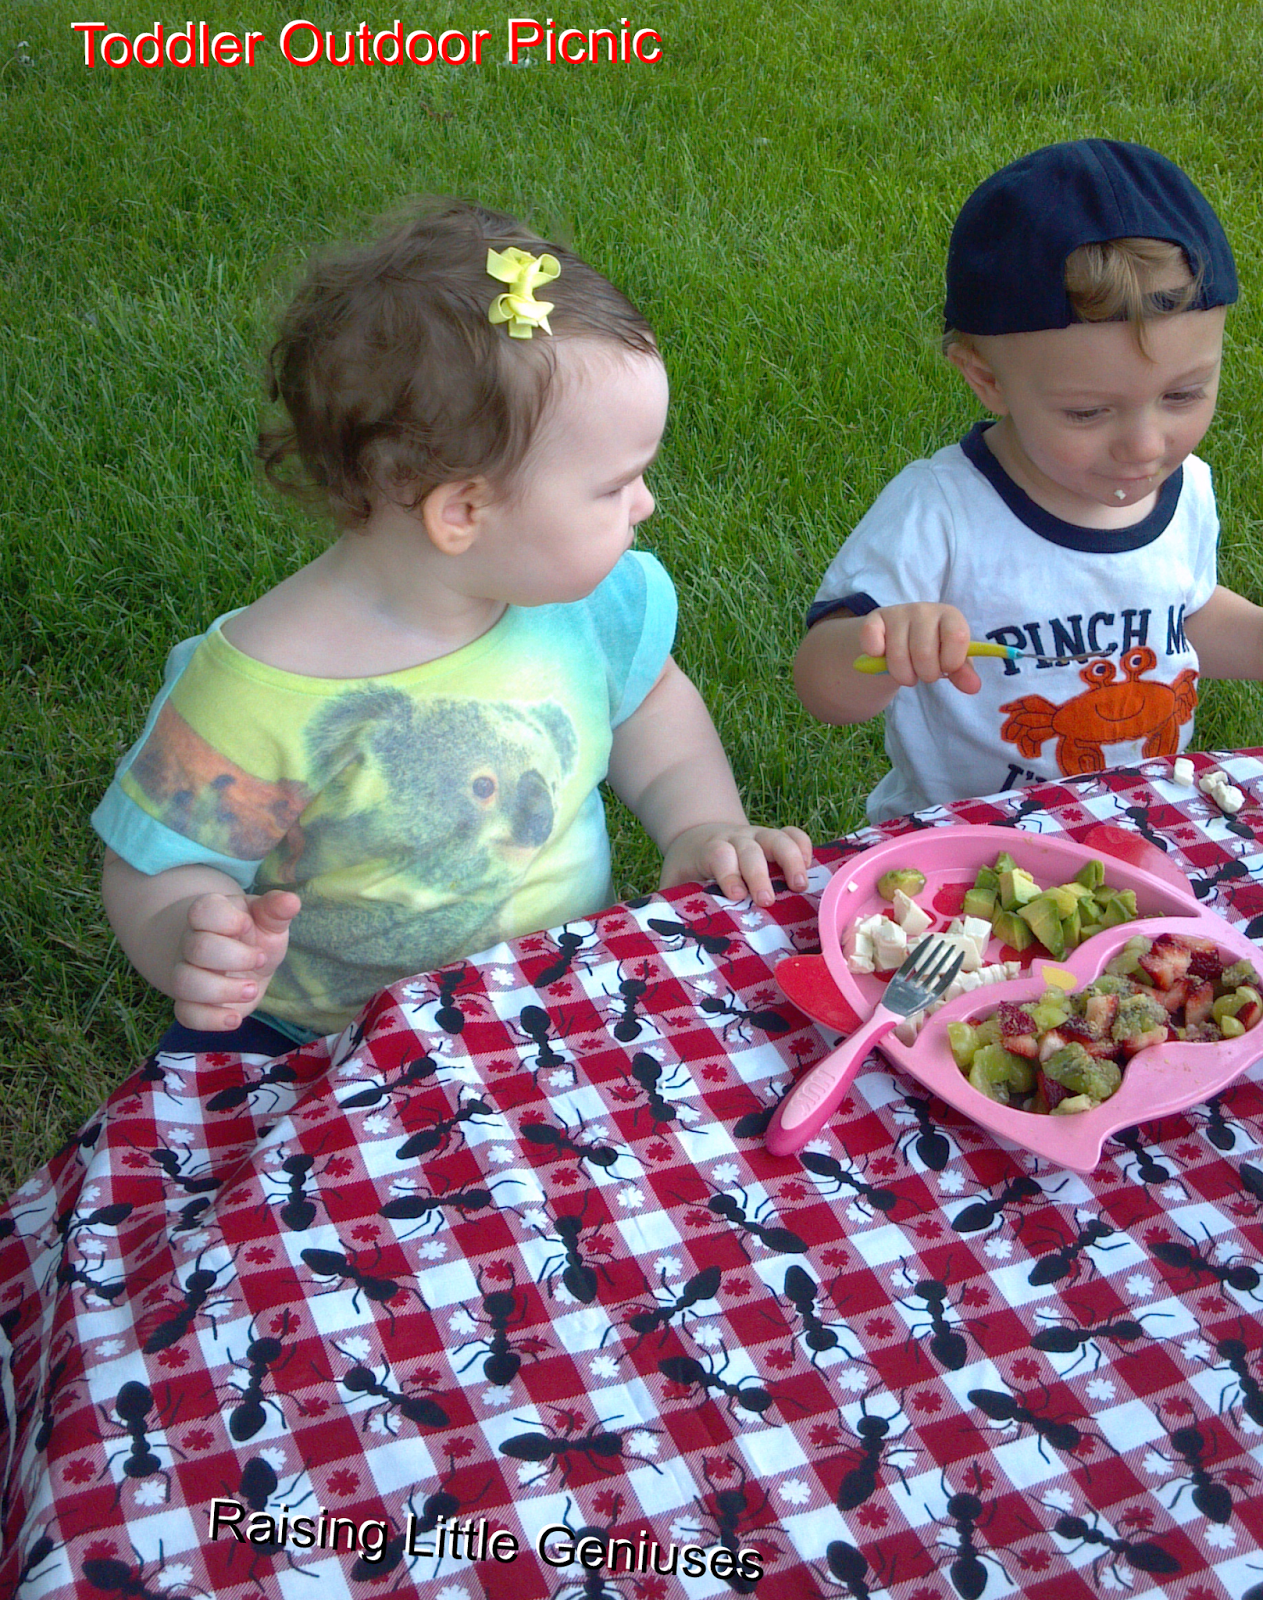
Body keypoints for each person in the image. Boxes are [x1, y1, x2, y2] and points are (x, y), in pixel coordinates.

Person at [93, 200, 811, 1052]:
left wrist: (698, 824)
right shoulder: (263, 689)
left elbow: (648, 704)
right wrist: (190, 933)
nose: (645, 506)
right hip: (328, 1042)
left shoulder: (584, 602)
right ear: (462, 512)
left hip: (554, 990)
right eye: (615, 485)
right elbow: (155, 864)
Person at [795, 139, 1263, 822]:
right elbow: (819, 684)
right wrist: (885, 646)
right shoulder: (943, 511)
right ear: (986, 379)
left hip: (1135, 823)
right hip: (961, 852)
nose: (1144, 443)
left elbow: (1180, 616)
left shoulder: (1186, 485)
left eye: (1183, 395)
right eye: (1086, 411)